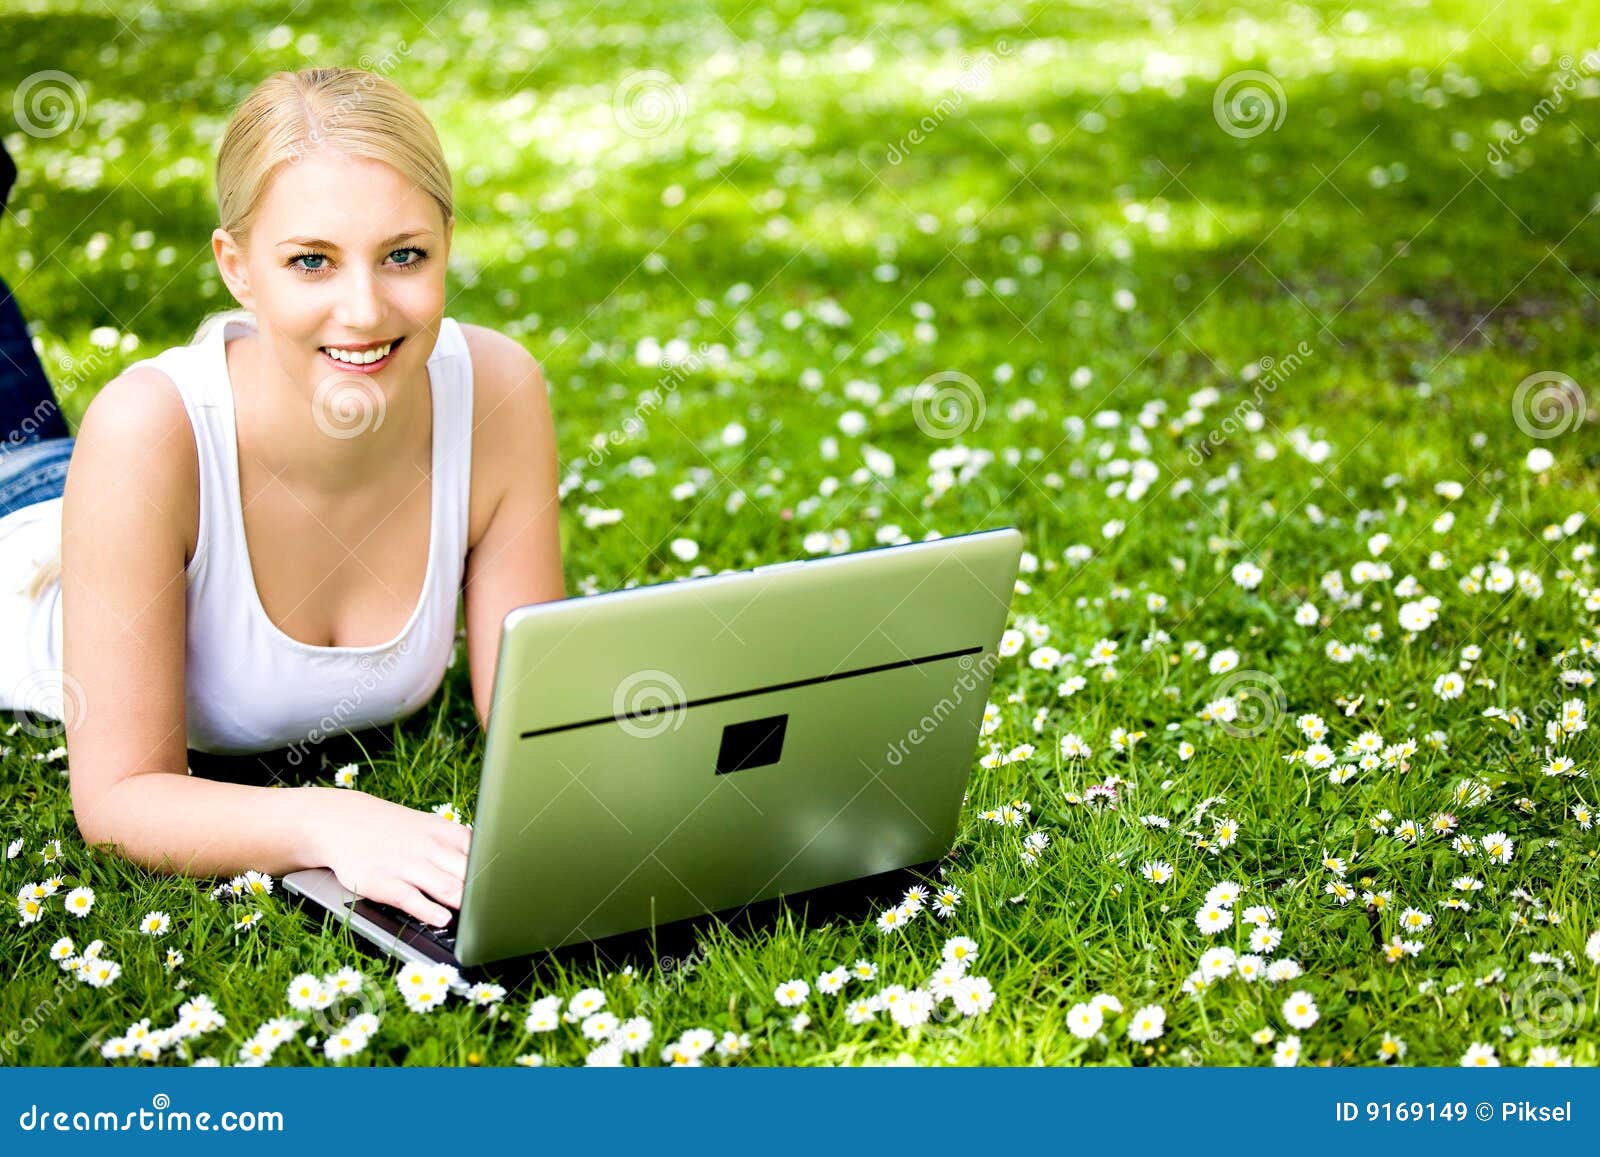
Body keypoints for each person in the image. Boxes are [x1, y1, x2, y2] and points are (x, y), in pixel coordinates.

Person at [0, 68, 566, 929]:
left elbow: (536, 718)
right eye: (311, 261)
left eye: (404, 255)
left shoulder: (497, 389)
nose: (365, 309)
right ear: (237, 269)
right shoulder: (146, 428)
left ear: (448, 242)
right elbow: (117, 796)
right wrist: (328, 818)